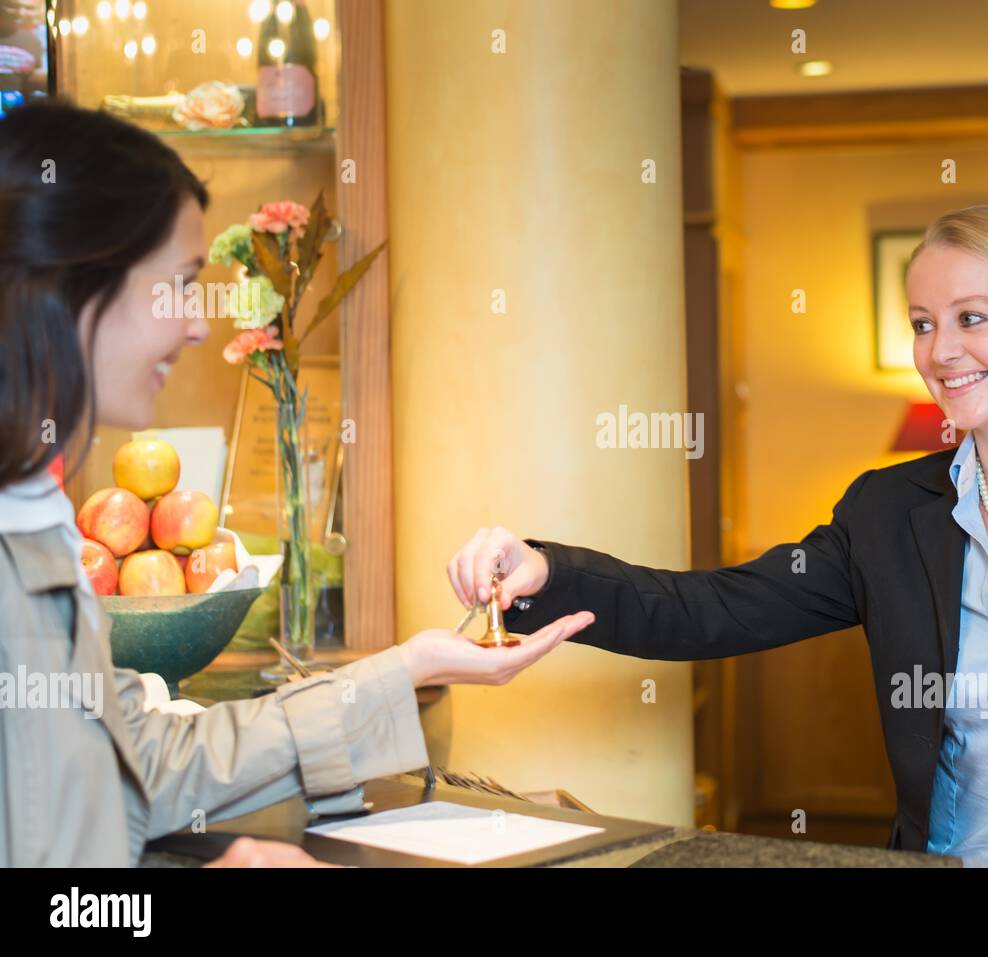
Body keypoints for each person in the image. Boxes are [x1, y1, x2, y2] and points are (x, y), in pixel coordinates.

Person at [449, 204, 988, 867]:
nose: (939, 351)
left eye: (972, 317)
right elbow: (709, 606)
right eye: (924, 322)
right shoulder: (887, 514)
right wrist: (546, 570)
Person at [0, 101, 594, 867]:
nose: (196, 325)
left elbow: (141, 764)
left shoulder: (32, 514)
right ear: (74, 279)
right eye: (179, 285)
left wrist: (409, 667)